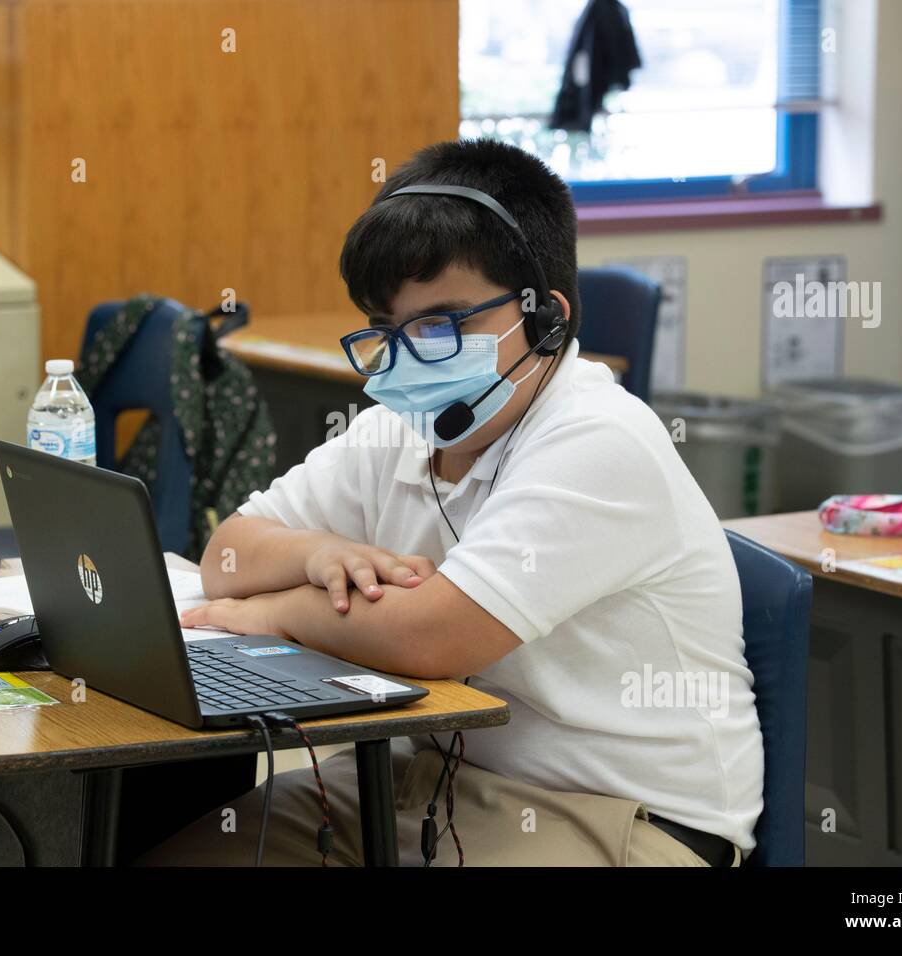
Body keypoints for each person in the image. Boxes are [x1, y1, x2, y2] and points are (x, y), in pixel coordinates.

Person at [142, 139, 763, 867]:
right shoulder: (397, 430)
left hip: (621, 818)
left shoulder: (600, 437)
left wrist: (271, 612)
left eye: (441, 324)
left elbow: (433, 637)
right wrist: (318, 553)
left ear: (546, 317)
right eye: (387, 330)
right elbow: (228, 556)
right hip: (424, 782)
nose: (408, 357)